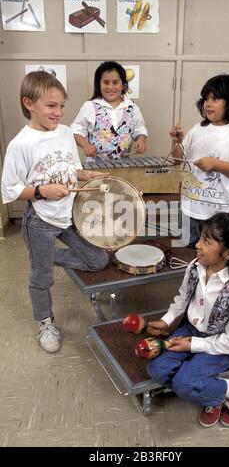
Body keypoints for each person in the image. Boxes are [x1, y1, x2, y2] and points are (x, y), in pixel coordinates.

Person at [1, 71, 109, 354]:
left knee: (97, 259)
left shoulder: (64, 133)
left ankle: (45, 257)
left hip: (67, 216)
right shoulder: (21, 144)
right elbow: (9, 190)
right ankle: (45, 322)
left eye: (62, 105)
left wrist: (87, 175)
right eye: (51, 106)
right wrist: (41, 191)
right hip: (40, 221)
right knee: (42, 278)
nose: (59, 112)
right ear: (29, 103)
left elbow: (70, 168)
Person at [147, 212, 229, 428]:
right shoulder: (195, 266)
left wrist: (194, 346)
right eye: (200, 238)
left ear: (228, 253)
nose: (197, 245)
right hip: (191, 329)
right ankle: (206, 391)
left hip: (221, 344)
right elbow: (183, 297)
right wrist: (167, 320)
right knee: (156, 370)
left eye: (206, 242)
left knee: (184, 383)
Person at [169, 74, 229, 245]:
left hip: (217, 210)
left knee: (218, 248)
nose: (208, 103)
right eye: (206, 98)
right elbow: (178, 159)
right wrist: (176, 142)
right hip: (189, 207)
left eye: (214, 99)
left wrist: (215, 164)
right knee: (189, 243)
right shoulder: (197, 129)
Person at [71, 60, 148, 161]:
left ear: (123, 85)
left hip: (124, 167)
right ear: (99, 84)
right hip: (95, 168)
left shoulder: (133, 108)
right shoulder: (89, 106)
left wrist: (141, 140)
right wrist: (86, 145)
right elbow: (75, 131)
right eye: (106, 82)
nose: (110, 87)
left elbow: (140, 130)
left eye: (115, 82)